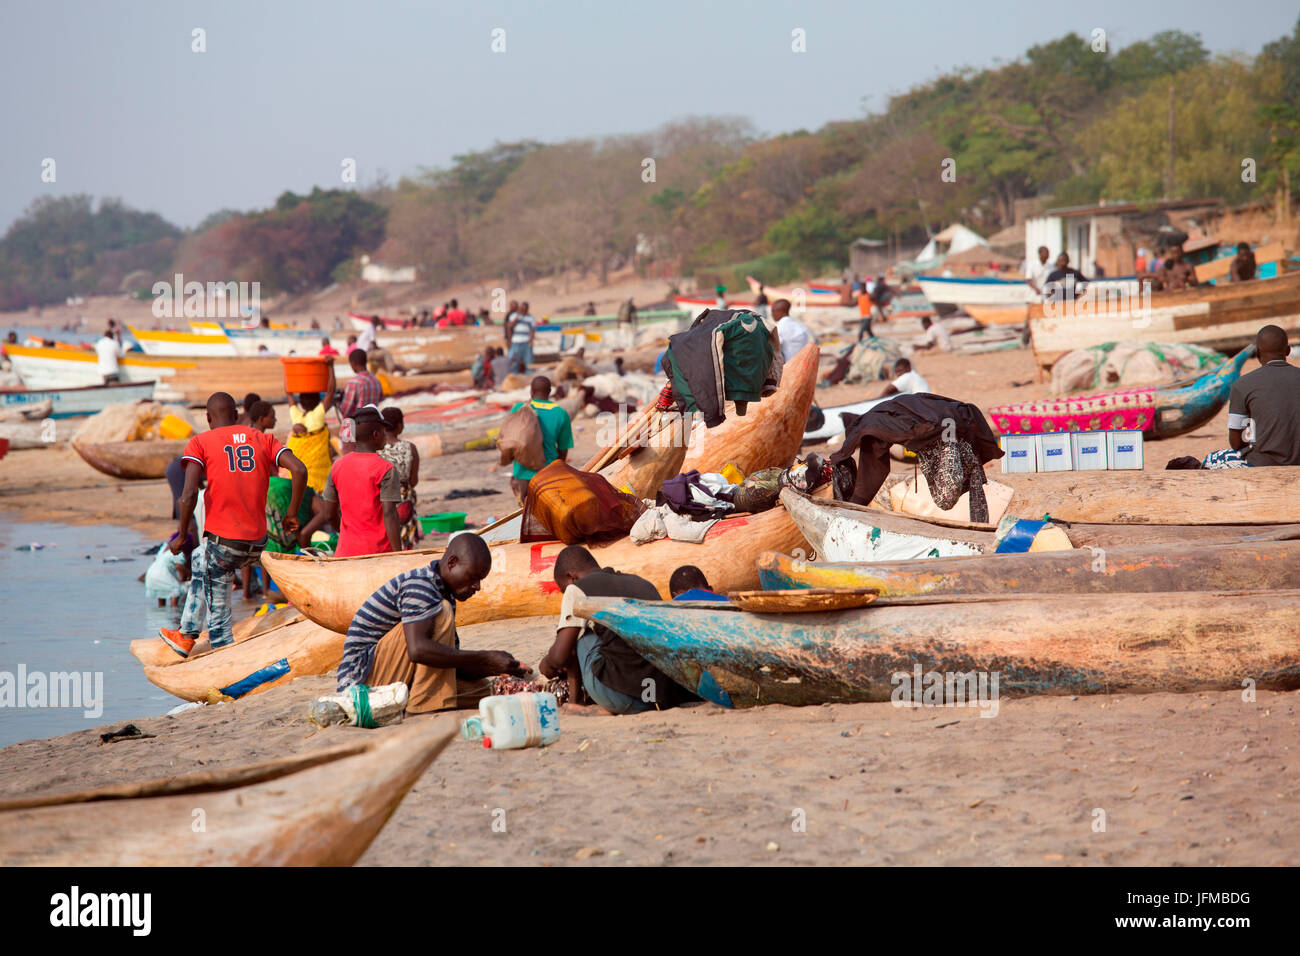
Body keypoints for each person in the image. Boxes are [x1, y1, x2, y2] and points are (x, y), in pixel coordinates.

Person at [160, 392, 307, 658]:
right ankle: (186, 633)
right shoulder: (263, 438)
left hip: (225, 544)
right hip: (258, 542)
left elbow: (189, 494)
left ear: (208, 418)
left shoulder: (200, 442)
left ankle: (224, 661)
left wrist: (182, 534)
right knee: (198, 558)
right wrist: (292, 514)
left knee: (219, 622)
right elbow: (299, 469)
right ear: (237, 414)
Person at [335, 532, 528, 714]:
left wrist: (497, 668)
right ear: (452, 563)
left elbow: (451, 664)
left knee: (489, 690)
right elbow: (418, 650)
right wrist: (485, 658)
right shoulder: (420, 585)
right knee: (440, 612)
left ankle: (424, 700)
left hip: (398, 677)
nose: (477, 587)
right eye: (473, 578)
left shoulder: (444, 593)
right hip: (363, 686)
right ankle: (424, 706)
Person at [539, 545, 694, 714]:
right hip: (661, 695)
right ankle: (581, 700)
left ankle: (577, 700)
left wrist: (546, 665)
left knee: (577, 636)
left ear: (570, 577)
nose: (565, 592)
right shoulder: (644, 583)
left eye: (563, 589)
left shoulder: (577, 588)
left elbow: (560, 657)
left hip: (621, 698)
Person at [300, 406, 402, 557]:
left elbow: (329, 514)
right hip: (379, 553)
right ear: (375, 435)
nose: (385, 437)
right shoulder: (385, 469)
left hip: (346, 552)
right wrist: (398, 555)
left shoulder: (337, 466)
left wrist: (345, 534)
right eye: (383, 433)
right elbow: (389, 514)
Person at [1203, 325, 1300, 469]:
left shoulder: (1243, 385)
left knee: (1211, 460)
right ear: (1288, 350)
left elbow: (1236, 442)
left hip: (1263, 463)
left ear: (1258, 352)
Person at [509, 376, 574, 503]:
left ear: (531, 391)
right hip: (549, 474)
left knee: (526, 514)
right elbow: (563, 450)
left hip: (522, 474)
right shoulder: (561, 413)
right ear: (550, 392)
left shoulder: (519, 408)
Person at [378, 406, 422, 549]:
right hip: (404, 500)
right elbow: (413, 481)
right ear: (399, 426)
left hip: (381, 499)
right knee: (405, 542)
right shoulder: (410, 448)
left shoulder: (376, 449)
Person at [288, 366, 336, 492]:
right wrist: (330, 366)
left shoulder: (296, 417)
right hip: (319, 477)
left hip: (299, 476)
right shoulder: (317, 417)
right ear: (318, 402)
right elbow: (330, 391)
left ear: (301, 403)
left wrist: (287, 372)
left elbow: (289, 394)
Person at [338, 348, 382, 451]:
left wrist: (339, 403)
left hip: (353, 428)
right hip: (372, 427)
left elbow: (345, 410)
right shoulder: (375, 381)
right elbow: (379, 400)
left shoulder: (354, 383)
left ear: (353, 363)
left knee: (349, 461)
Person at [145, 532, 192, 608]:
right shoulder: (178, 552)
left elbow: (154, 559)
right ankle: (174, 611)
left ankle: (161, 610)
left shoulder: (163, 548)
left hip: (151, 575)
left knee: (161, 593)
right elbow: (178, 566)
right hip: (162, 575)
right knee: (176, 590)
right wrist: (189, 573)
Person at [771, 298, 811, 362]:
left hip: (788, 366)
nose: (772, 314)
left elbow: (773, 348)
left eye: (773, 311)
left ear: (780, 311)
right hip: (803, 364)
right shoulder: (801, 327)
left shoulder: (779, 327)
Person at [506, 301, 537, 373]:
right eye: (522, 308)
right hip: (516, 342)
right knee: (513, 362)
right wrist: (517, 317)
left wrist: (531, 342)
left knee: (529, 362)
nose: (523, 310)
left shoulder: (531, 318)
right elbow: (510, 326)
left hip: (526, 342)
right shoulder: (513, 316)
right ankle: (514, 376)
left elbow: (532, 331)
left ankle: (530, 376)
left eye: (525, 309)